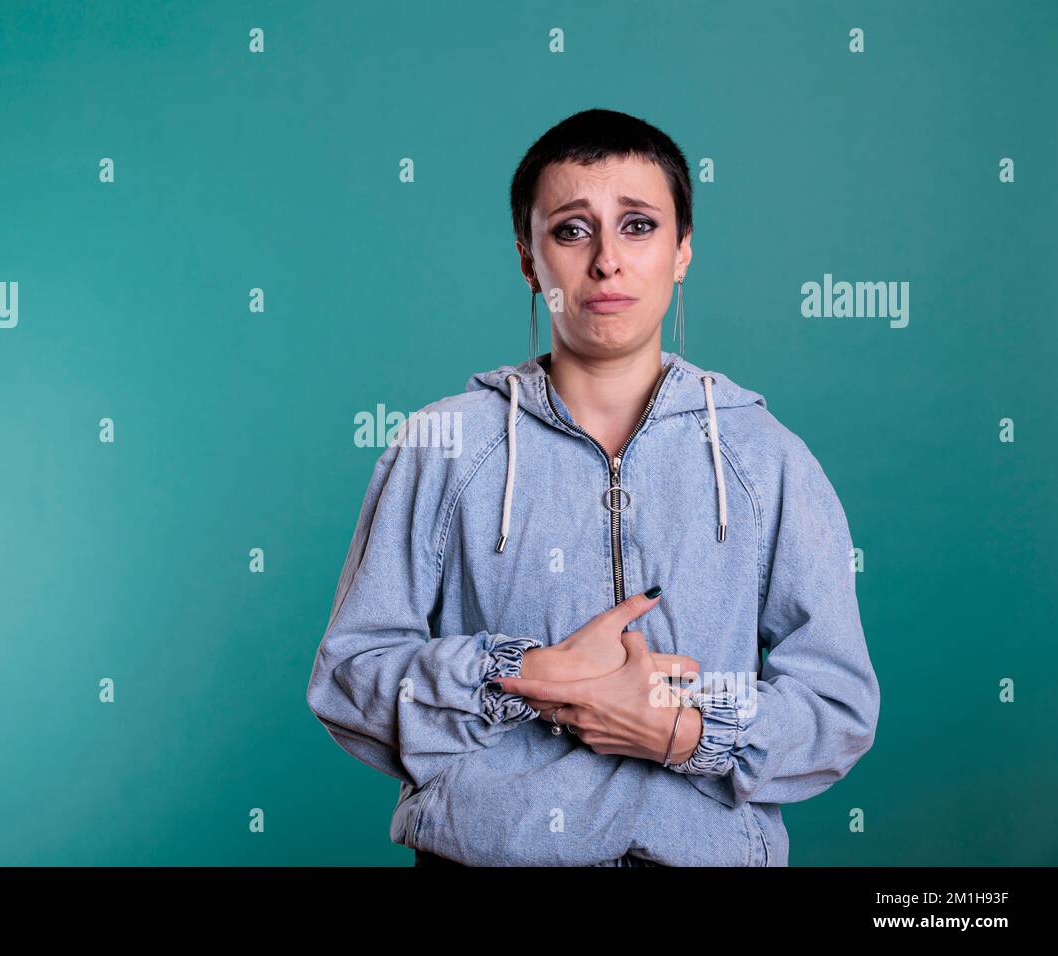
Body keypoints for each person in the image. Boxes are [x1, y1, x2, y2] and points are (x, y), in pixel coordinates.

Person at [305, 108, 880, 867]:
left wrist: (682, 729)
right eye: (572, 230)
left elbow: (836, 706)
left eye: (639, 226)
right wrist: (524, 677)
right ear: (528, 260)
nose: (607, 261)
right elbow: (351, 678)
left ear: (682, 252)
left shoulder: (765, 457)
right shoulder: (442, 446)